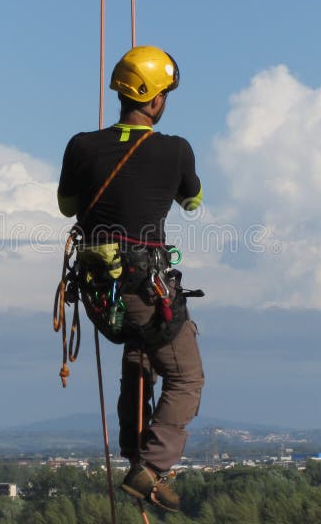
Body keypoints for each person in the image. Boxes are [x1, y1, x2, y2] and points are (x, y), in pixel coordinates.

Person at [56, 46, 204, 512]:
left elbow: (66, 206)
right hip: (142, 288)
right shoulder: (174, 150)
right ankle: (152, 467)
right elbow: (193, 203)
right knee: (185, 377)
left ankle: (134, 452)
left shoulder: (81, 146)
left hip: (100, 295)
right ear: (155, 99)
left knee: (140, 351)